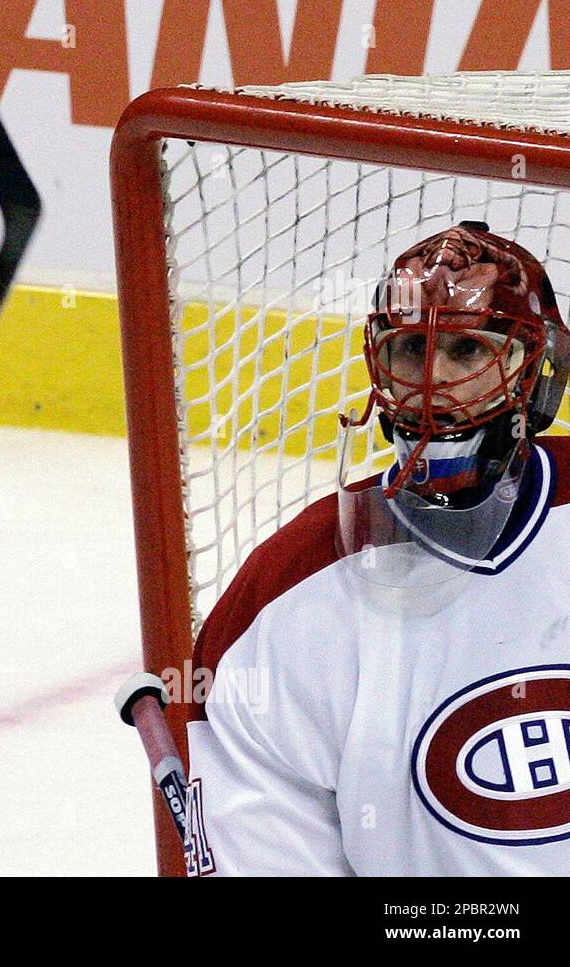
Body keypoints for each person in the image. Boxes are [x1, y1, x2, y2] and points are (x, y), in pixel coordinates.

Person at [184, 223, 570, 875]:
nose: (431, 387)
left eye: (467, 350)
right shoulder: (283, 603)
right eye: (410, 350)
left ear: (536, 371)